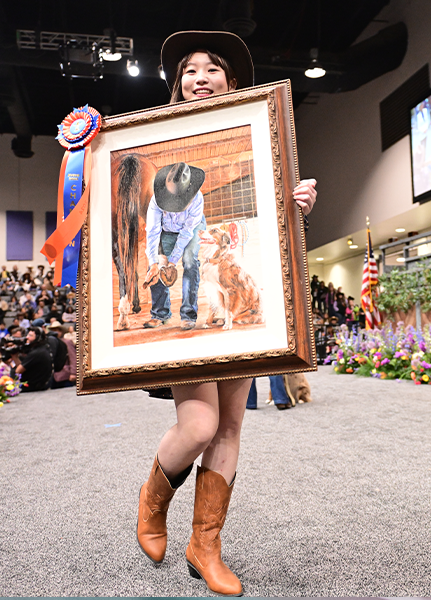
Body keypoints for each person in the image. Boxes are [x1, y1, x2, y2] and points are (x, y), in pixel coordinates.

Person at [135, 30, 317, 598]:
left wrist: (296, 203)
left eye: (213, 69)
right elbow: (149, 221)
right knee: (199, 425)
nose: (201, 78)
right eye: (190, 70)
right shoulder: (153, 143)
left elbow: (266, 219)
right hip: (182, 299)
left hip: (234, 297)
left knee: (231, 426)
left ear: (231, 81)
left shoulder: (257, 139)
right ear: (177, 84)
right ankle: (152, 502)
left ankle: (205, 545)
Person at [143, 162, 206, 331]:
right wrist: (154, 263)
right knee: (156, 265)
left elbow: (187, 232)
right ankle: (160, 314)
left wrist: (172, 261)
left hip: (192, 228)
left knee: (190, 261)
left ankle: (188, 315)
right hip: (167, 229)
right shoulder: (156, 200)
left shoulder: (197, 199)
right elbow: (152, 232)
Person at [6, 326, 52, 392]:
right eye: (27, 335)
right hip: (41, 385)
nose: (27, 337)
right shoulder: (44, 348)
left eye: (30, 335)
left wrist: (15, 357)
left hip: (33, 388)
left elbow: (18, 371)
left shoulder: (36, 353)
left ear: (38, 338)